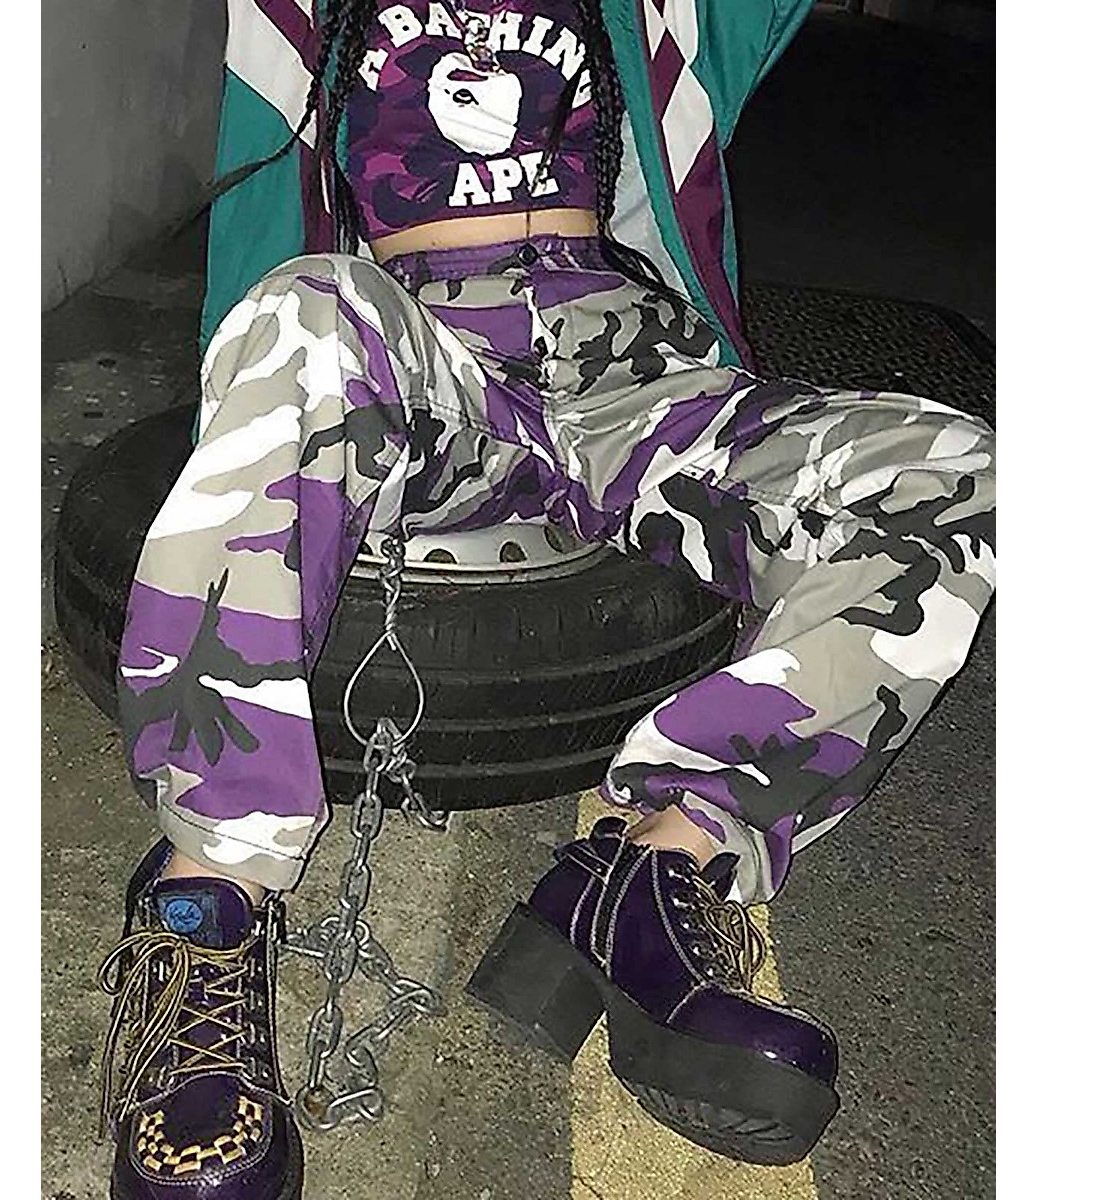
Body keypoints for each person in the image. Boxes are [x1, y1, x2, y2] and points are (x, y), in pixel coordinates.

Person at [97, 1, 996, 1196]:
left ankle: (660, 861)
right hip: (425, 366)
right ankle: (206, 901)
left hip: (631, 373)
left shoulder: (655, 14)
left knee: (957, 472)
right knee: (303, 306)